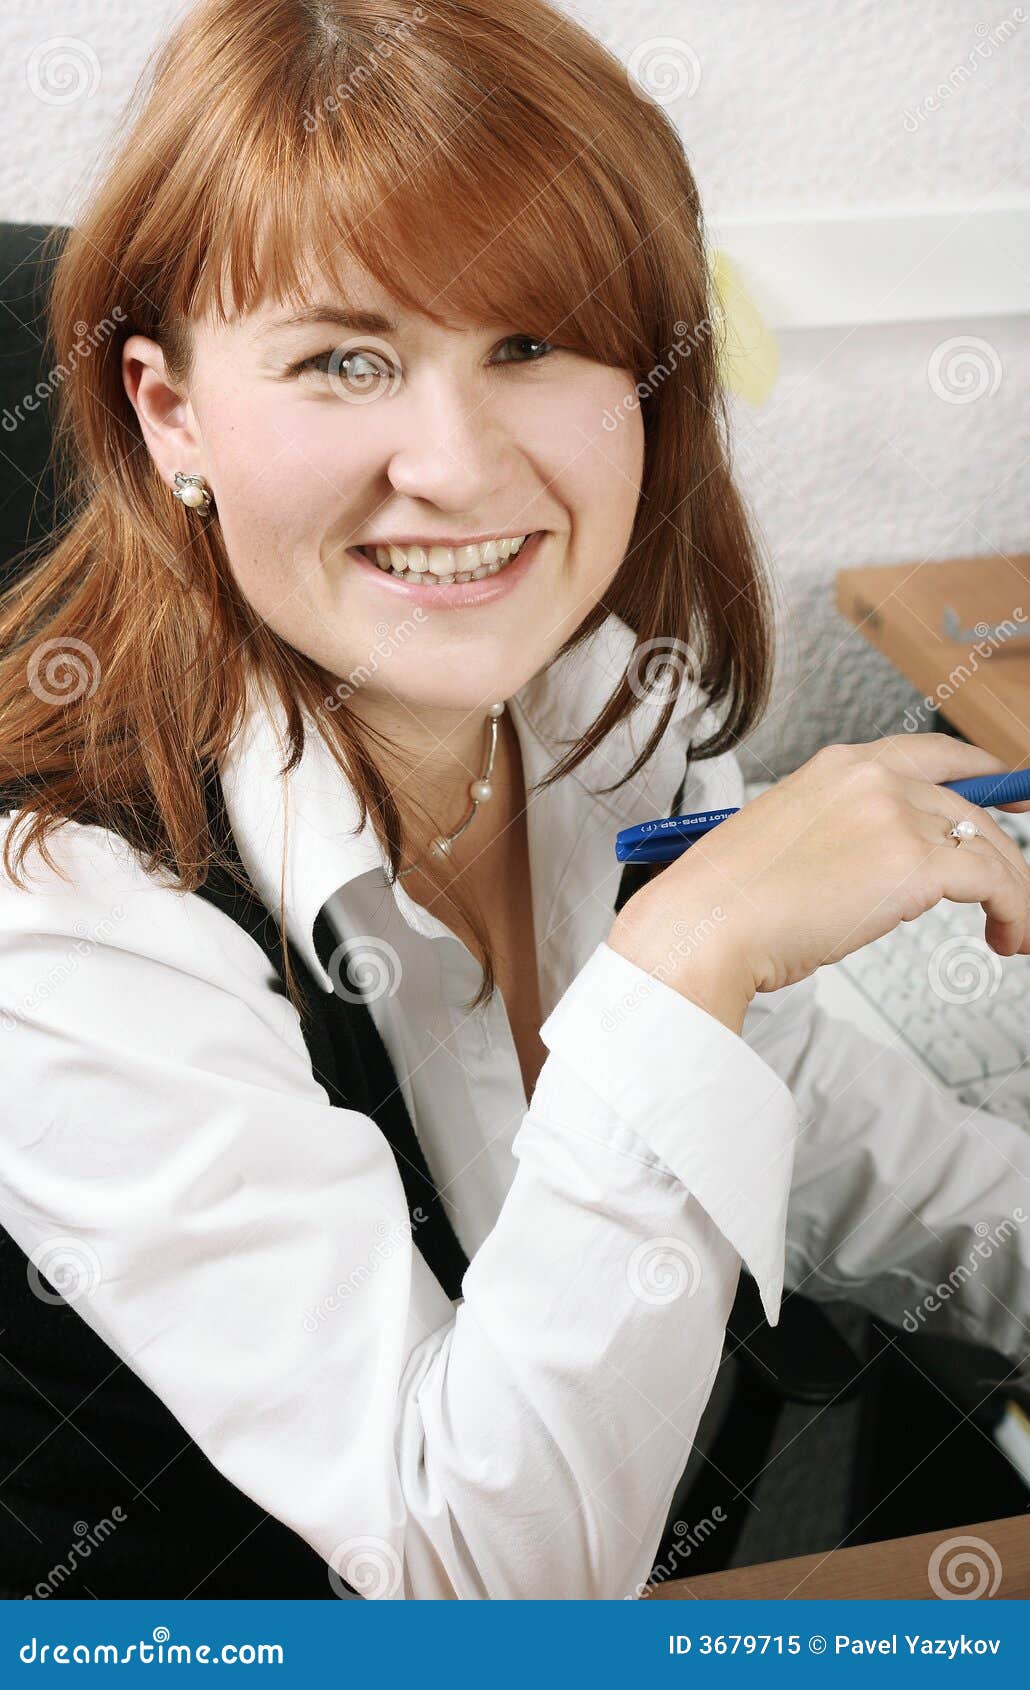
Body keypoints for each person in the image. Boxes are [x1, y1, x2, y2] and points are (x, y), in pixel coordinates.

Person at [0, 0, 1028, 1602]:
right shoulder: (70, 912)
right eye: (345, 359)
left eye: (530, 344)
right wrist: (689, 954)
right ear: (169, 410)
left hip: (676, 1454)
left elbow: (799, 1125)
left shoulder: (598, 693)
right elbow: (482, 1590)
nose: (459, 467)